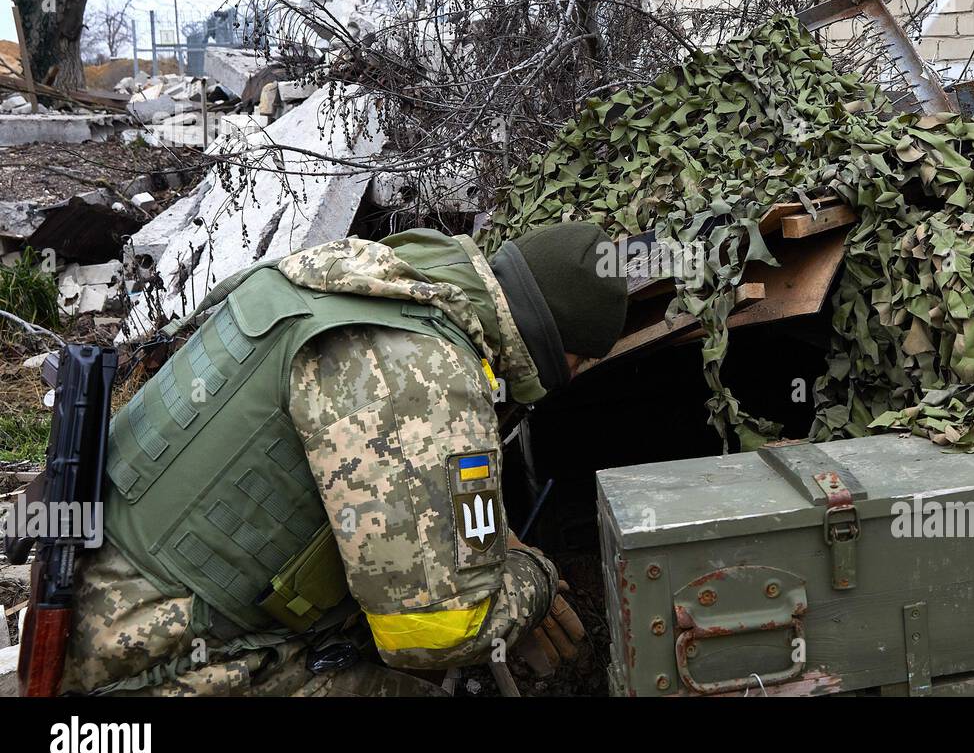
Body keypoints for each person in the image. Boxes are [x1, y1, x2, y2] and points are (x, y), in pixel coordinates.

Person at [60, 223, 627, 695]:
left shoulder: (358, 279)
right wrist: (536, 578)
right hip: (153, 659)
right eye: (579, 365)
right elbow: (436, 633)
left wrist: (488, 544)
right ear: (561, 350)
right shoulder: (428, 375)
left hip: (100, 590)